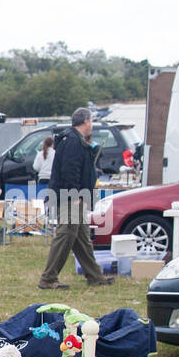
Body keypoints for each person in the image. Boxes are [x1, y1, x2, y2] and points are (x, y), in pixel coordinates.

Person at [39, 108, 112, 290]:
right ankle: (48, 278)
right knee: (66, 234)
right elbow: (70, 169)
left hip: (73, 194)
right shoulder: (72, 140)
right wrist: (76, 194)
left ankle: (95, 276)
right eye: (92, 122)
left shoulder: (72, 139)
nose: (92, 125)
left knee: (81, 237)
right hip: (71, 195)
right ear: (86, 121)